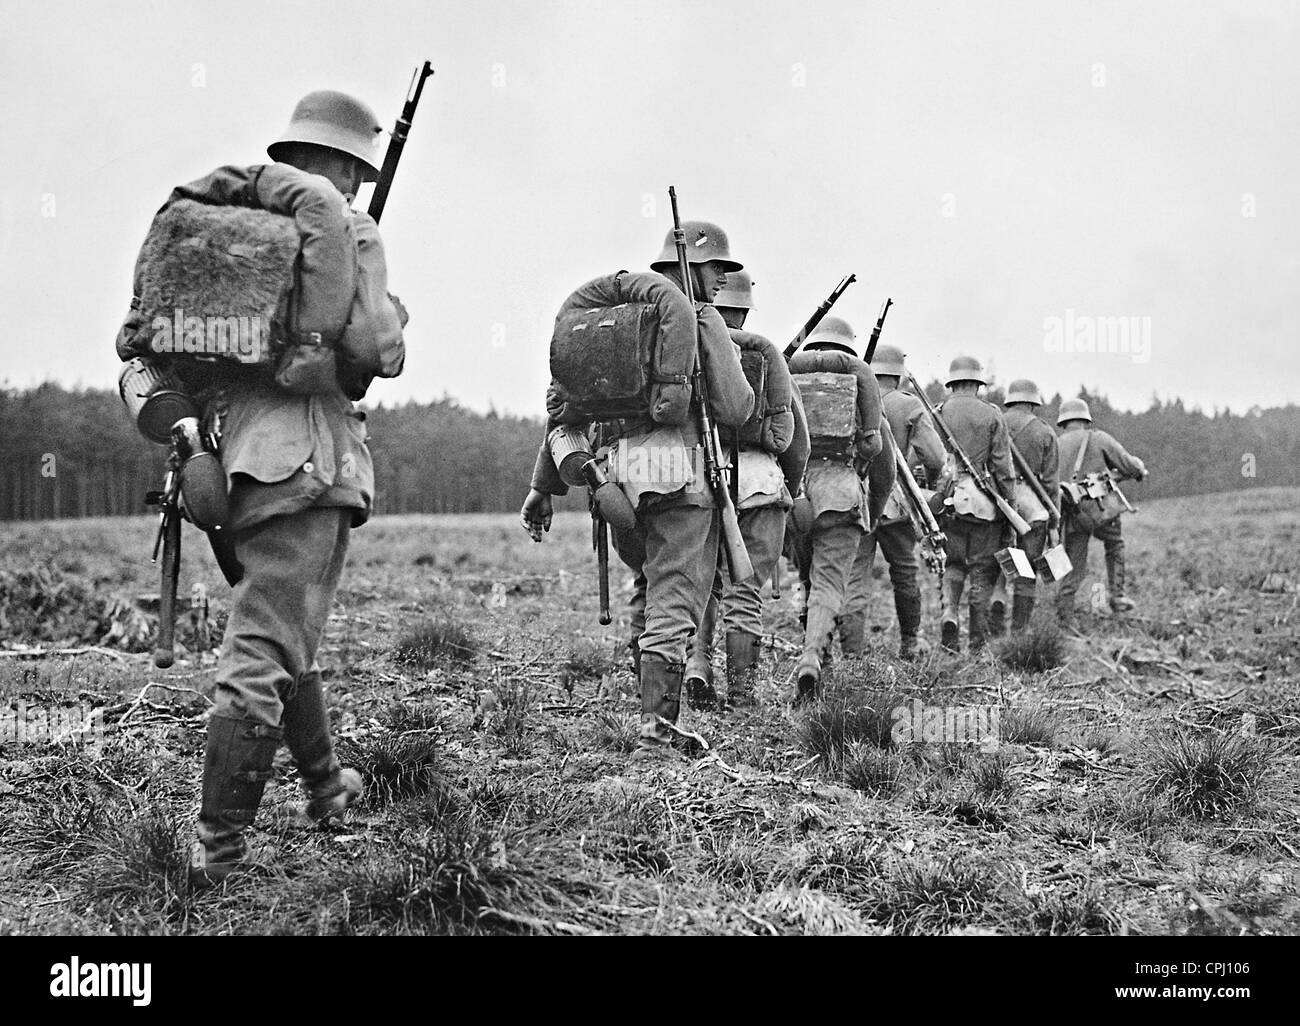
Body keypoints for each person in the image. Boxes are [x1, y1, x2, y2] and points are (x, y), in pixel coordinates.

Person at [116, 90, 408, 886]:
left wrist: (186, 431)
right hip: (303, 462)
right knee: (266, 641)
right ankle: (220, 844)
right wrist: (387, 315)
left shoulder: (212, 238)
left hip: (222, 467)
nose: (352, 187)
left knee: (284, 625)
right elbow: (377, 351)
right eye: (353, 170)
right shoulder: (347, 231)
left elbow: (136, 357)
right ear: (342, 168)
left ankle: (323, 786)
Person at [521, 221, 753, 762]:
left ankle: (646, 705)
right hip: (680, 479)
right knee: (675, 593)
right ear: (691, 265)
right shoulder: (699, 319)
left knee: (646, 587)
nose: (722, 279)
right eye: (717, 267)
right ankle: (656, 732)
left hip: (616, 484)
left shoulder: (609, 321)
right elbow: (736, 408)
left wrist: (543, 489)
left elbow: (564, 413)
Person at [683, 270, 808, 709]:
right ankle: (741, 695)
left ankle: (698, 666)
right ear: (745, 309)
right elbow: (796, 437)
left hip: (697, 478)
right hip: (757, 480)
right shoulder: (765, 351)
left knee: (701, 585)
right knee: (745, 589)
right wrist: (787, 489)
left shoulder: (687, 345)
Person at [785, 317, 887, 701]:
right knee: (828, 585)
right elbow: (882, 461)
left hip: (796, 497)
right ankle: (811, 657)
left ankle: (814, 656)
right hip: (841, 495)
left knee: (807, 578)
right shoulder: (860, 380)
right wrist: (871, 514)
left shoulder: (789, 372)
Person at [838, 344, 944, 659]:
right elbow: (935, 457)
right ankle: (910, 643)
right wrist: (930, 482)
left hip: (856, 497)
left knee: (855, 576)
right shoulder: (909, 406)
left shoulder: (851, 397)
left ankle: (853, 654)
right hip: (896, 503)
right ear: (898, 377)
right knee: (905, 571)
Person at [932, 356, 1016, 655]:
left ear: (952, 383)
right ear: (977, 384)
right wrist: (1009, 505)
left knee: (953, 565)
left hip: (948, 501)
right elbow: (1002, 468)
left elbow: (928, 461)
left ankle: (950, 614)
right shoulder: (992, 415)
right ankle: (978, 646)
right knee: (982, 572)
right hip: (983, 506)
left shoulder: (937, 413)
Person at [1054, 397, 1149, 622]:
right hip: (1101, 510)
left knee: (1074, 563)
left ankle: (1065, 616)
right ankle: (1117, 597)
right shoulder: (1098, 438)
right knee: (1115, 545)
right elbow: (1128, 464)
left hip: (1073, 512)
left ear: (1063, 422)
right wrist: (1139, 468)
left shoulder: (1056, 444)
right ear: (1086, 420)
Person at [989, 379, 1059, 634]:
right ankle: (1019, 631)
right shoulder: (1044, 431)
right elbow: (1051, 483)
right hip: (1031, 505)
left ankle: (995, 608)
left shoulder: (996, 420)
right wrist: (1054, 521)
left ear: (1010, 400)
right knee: (1026, 571)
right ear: (1034, 402)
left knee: (996, 561)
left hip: (995, 500)